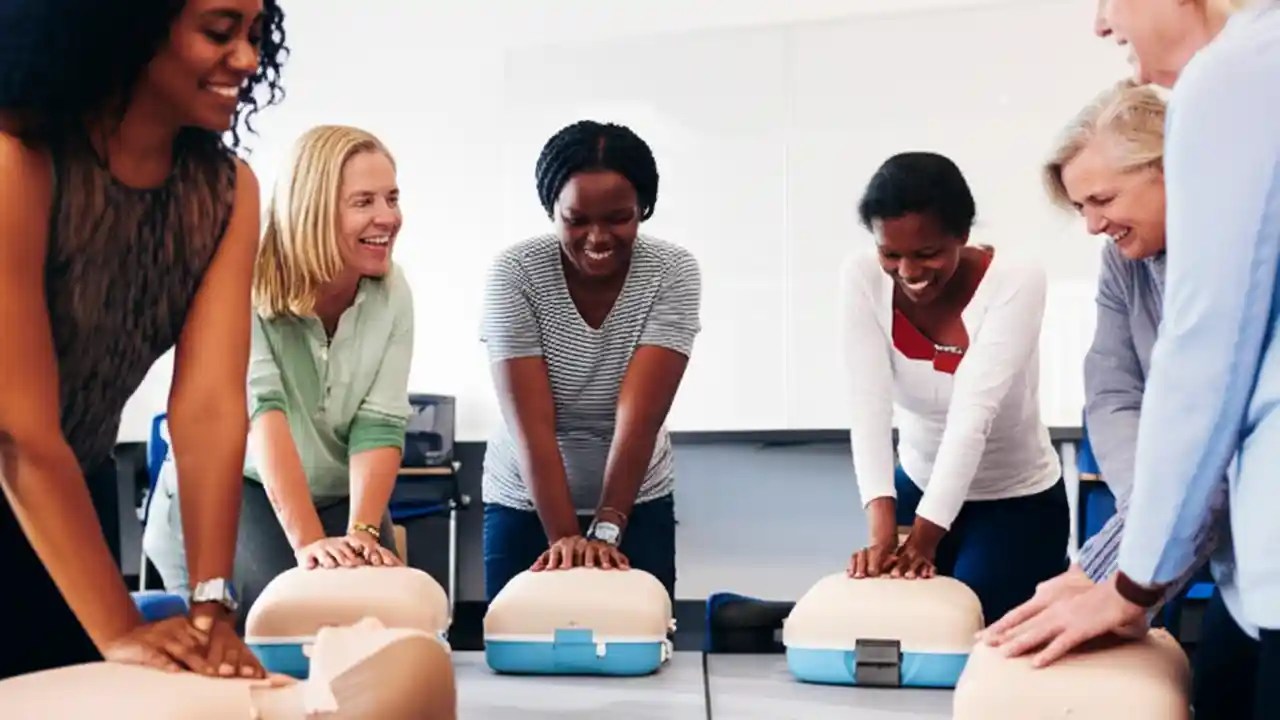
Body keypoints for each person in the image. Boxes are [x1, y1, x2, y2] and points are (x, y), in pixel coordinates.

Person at [982, 1, 1280, 717]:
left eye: (1104, 199)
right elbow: (1111, 395)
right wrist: (1134, 533)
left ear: (1171, 165)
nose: (1101, 23)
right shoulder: (1128, 263)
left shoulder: (1235, 74)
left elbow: (1205, 380)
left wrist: (1120, 580)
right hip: (1228, 556)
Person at [0, 0, 286, 680]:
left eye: (254, 34)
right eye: (219, 32)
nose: (247, 59)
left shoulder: (222, 190)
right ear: (127, 27)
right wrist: (121, 627)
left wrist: (209, 608)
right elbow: (17, 431)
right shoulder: (19, 162)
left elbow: (211, 409)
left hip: (71, 487)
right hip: (26, 469)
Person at [145, 125, 414, 624]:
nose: (388, 217)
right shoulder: (243, 279)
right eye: (364, 202)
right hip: (240, 482)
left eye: (392, 197)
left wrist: (363, 533)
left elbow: (378, 423)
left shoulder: (391, 291)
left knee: (380, 611)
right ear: (313, 210)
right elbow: (261, 416)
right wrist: (310, 543)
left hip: (336, 491)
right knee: (293, 614)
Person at [840, 151, 1068, 624]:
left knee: (975, 631)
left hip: (1014, 499)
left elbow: (972, 416)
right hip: (917, 484)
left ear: (962, 236)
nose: (909, 272)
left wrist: (923, 541)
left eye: (927, 254)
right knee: (906, 633)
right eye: (891, 254)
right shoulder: (861, 278)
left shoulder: (1016, 279)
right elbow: (867, 408)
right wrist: (884, 536)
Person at [479, 119, 702, 601]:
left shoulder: (671, 272)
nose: (598, 237)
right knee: (521, 648)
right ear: (551, 210)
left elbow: (637, 421)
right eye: (577, 220)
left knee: (639, 642)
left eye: (618, 218)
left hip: (636, 499)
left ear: (643, 208)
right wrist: (564, 540)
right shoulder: (515, 273)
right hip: (523, 496)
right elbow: (533, 429)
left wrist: (605, 530)